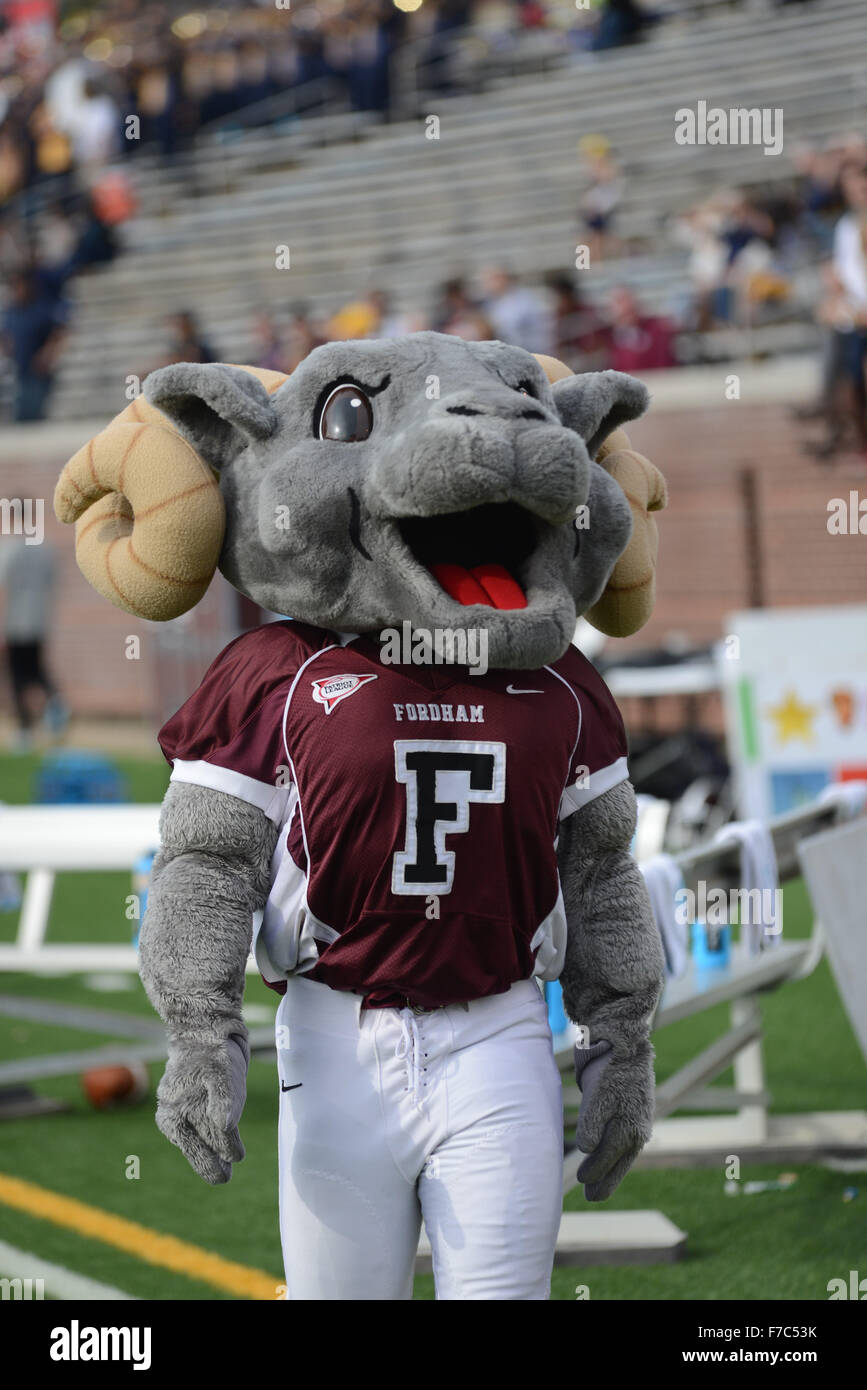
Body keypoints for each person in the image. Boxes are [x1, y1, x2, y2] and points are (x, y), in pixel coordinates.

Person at [0, 516, 67, 750]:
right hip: (38, 622)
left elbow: (4, 589)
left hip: (15, 624)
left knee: (18, 676)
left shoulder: (9, 549)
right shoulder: (44, 550)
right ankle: (55, 704)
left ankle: (24, 730)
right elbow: (51, 587)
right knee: (36, 670)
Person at [1, 268, 68, 422]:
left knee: (33, 414)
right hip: (20, 369)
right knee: (22, 414)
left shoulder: (41, 309)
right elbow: (5, 334)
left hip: (38, 371)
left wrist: (47, 354)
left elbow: (59, 333)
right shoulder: (12, 312)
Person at [480, 266, 552, 355]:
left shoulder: (524, 298)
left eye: (490, 280)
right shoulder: (493, 302)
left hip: (531, 348)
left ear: (502, 279)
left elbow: (513, 326)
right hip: (510, 349)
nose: (487, 285)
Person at [603, 286, 676, 373]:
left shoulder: (656, 329)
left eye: (628, 300)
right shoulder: (606, 337)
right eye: (619, 302)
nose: (626, 306)